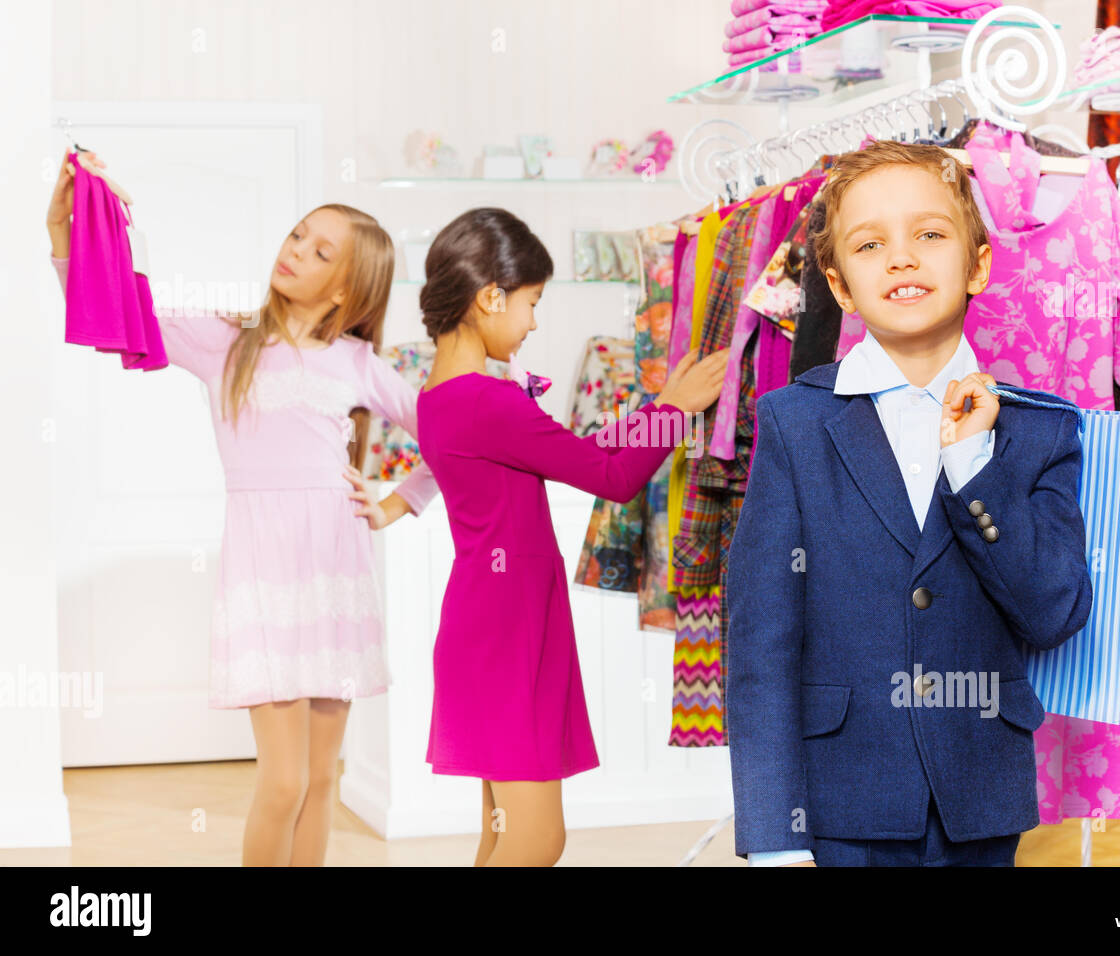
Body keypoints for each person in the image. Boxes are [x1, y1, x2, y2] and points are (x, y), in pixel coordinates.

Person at [46, 150, 437, 866]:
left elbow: (449, 438)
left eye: (320, 251)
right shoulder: (224, 341)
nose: (294, 251)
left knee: (322, 779)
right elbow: (110, 312)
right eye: (297, 235)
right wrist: (67, 228)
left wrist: (395, 503)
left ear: (347, 291)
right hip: (263, 584)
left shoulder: (358, 363)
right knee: (283, 782)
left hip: (334, 579)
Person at [726, 141, 1093, 867]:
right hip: (840, 801)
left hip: (980, 793)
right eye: (871, 244)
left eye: (929, 234)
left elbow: (1053, 612)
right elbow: (761, 646)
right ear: (838, 284)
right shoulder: (794, 424)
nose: (902, 258)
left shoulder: (1042, 429)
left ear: (978, 264)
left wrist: (972, 466)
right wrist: (775, 835)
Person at [415, 207, 728, 866]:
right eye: (531, 303)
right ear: (488, 298)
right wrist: (674, 412)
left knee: (501, 832)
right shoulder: (488, 400)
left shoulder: (441, 395)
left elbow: (576, 454)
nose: (532, 322)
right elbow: (609, 475)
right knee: (535, 839)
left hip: (489, 619)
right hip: (509, 629)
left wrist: (658, 408)